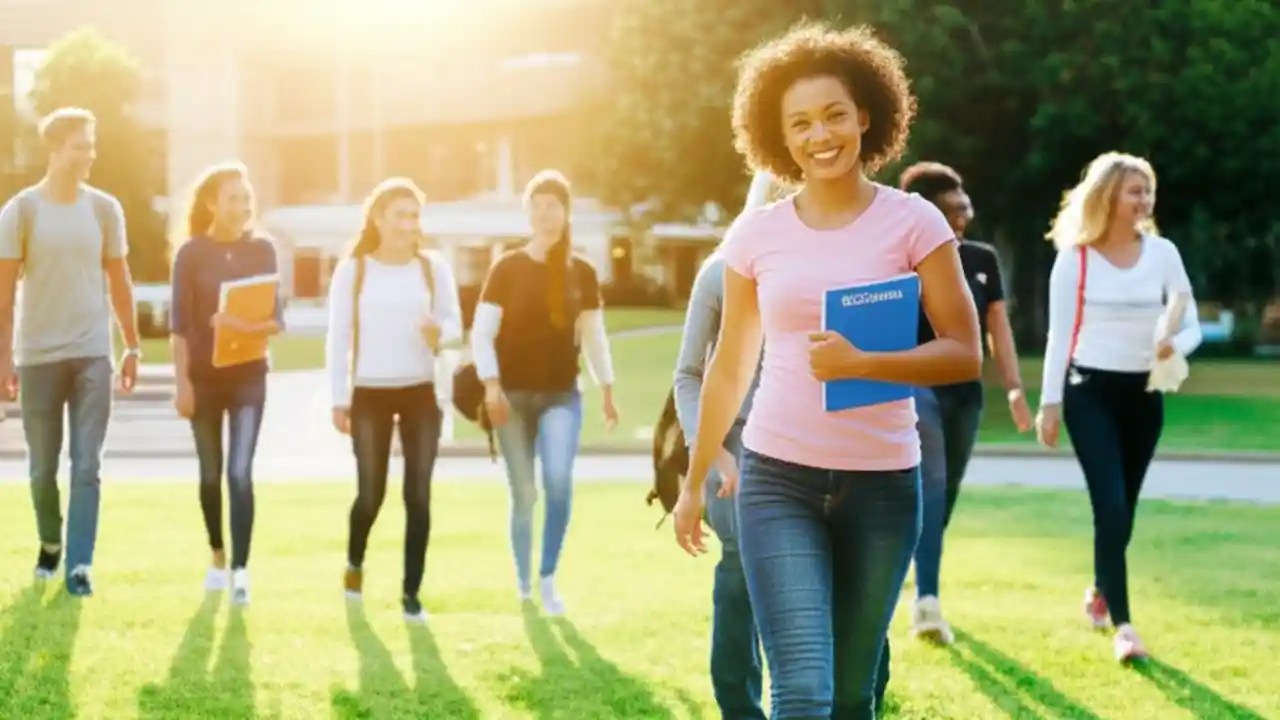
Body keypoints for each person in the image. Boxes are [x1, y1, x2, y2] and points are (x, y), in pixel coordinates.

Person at [673, 21, 982, 719]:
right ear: (778, 138)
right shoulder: (756, 236)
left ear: (866, 116)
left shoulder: (915, 223)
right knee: (803, 693)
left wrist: (865, 361)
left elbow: (965, 352)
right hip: (778, 481)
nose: (821, 136)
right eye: (801, 123)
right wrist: (693, 483)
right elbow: (727, 370)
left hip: (883, 488)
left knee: (851, 696)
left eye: (835, 115)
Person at [1036, 151, 1201, 663]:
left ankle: (1099, 588)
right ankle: (1124, 626)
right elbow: (1058, 337)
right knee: (1108, 506)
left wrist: (1178, 345)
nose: (1145, 200)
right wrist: (1050, 404)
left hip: (1144, 395)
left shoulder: (1164, 253)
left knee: (1122, 511)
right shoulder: (1075, 258)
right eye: (1135, 190)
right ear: (1108, 194)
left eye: (1148, 190)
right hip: (1090, 394)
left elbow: (1189, 321)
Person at [0, 107, 141, 597]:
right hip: (37, 356)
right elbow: (3, 298)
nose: (90, 154)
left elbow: (119, 282)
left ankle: (80, 564)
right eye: (81, 145)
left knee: (87, 464)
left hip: (91, 354)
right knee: (42, 467)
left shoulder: (104, 209)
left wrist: (132, 345)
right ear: (56, 149)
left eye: (91, 144)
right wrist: (4, 359)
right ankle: (49, 542)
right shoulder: (21, 211)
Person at [470, 169, 619, 617]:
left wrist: (607, 388)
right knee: (524, 495)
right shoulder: (507, 267)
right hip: (510, 398)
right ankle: (522, 581)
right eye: (536, 204)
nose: (544, 212)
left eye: (552, 204)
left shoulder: (582, 272)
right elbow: (481, 334)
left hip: (560, 395)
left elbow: (594, 337)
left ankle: (548, 577)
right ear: (528, 213)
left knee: (557, 480)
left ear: (566, 211)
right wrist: (491, 386)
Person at [897, 161, 1033, 643]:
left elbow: (998, 328)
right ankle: (927, 603)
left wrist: (1014, 388)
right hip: (917, 387)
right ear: (928, 211)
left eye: (967, 205)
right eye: (954, 207)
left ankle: (915, 565)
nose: (965, 215)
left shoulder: (981, 259)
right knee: (931, 485)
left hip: (965, 391)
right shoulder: (900, 257)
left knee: (946, 489)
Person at [325, 177, 463, 623]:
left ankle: (410, 595)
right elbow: (337, 338)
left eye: (415, 215)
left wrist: (437, 333)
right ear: (379, 219)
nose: (409, 224)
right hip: (369, 391)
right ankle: (354, 564)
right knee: (372, 494)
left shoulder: (433, 268)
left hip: (421, 390)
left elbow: (456, 328)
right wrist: (338, 398)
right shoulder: (355, 270)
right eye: (400, 215)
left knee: (418, 496)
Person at [672, 175, 779, 718]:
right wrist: (711, 449)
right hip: (732, 444)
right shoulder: (720, 274)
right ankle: (740, 705)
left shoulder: (838, 271)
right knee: (743, 561)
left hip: (810, 444)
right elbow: (689, 375)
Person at [170, 161, 283, 606]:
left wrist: (237, 323)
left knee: (239, 472)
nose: (243, 205)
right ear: (212, 203)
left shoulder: (264, 251)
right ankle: (217, 555)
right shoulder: (191, 254)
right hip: (203, 378)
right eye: (233, 197)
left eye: (246, 196)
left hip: (249, 377)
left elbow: (276, 321)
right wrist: (182, 383)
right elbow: (179, 327)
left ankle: (241, 570)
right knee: (210, 475)